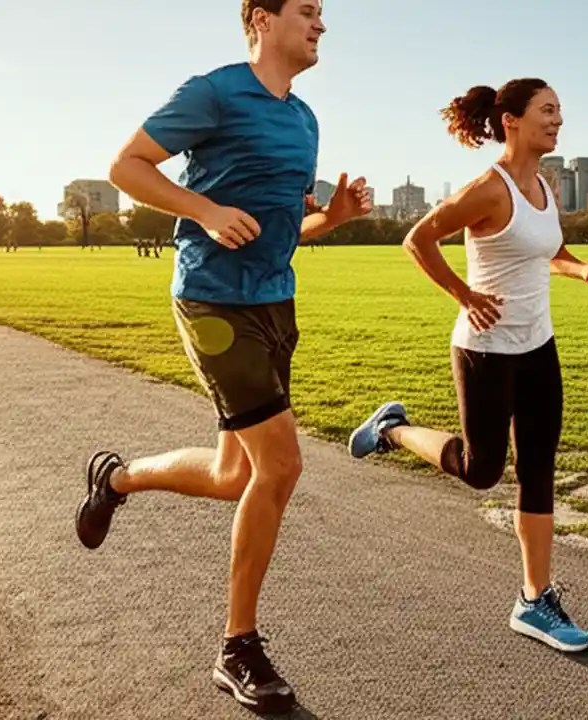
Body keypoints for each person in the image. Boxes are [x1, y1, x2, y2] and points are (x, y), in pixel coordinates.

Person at [74, 0, 371, 714]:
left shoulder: (304, 120)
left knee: (233, 473)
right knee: (282, 464)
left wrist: (332, 219)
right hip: (211, 301)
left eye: (323, 14)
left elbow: (280, 230)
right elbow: (125, 165)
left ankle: (117, 479)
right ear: (261, 18)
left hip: (275, 304)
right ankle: (238, 646)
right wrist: (202, 211)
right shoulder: (213, 90)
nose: (321, 24)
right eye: (307, 10)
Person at [348, 78, 588, 654]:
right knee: (481, 469)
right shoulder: (486, 190)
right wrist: (462, 294)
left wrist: (584, 270)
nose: (558, 120)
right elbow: (417, 239)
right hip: (485, 352)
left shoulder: (545, 187)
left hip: (538, 348)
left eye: (560, 111)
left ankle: (534, 599)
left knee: (539, 468)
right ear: (512, 120)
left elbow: (551, 253)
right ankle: (393, 430)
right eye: (547, 110)